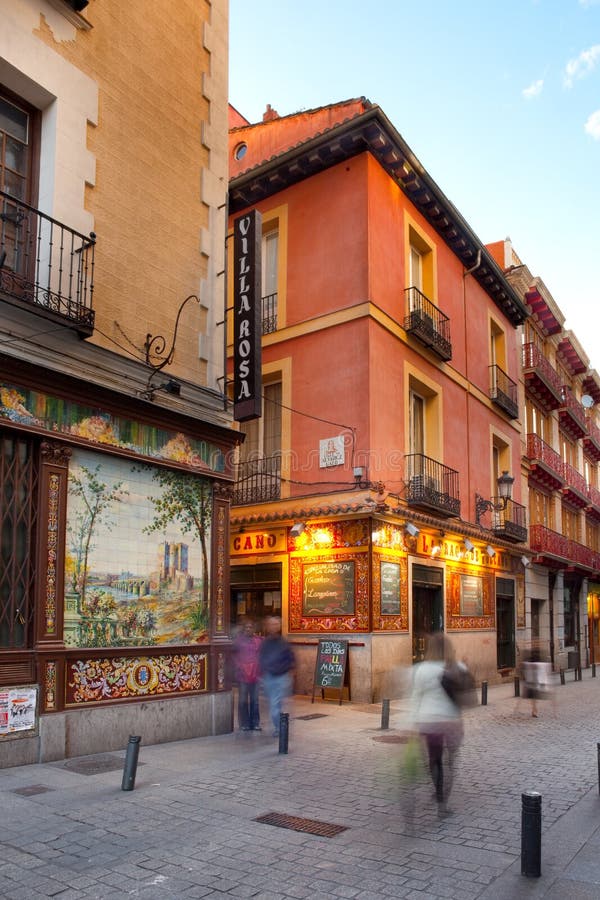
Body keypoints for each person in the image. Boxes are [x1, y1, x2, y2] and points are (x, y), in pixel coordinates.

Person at [410, 632, 463, 816]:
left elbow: (416, 696)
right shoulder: (455, 667)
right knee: (449, 763)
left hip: (429, 722)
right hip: (451, 721)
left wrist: (412, 721)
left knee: (435, 761)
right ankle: (443, 805)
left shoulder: (422, 669)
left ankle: (438, 792)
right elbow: (464, 695)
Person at [258, 615, 295, 737]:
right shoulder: (265, 643)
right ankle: (281, 725)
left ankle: (280, 728)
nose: (273, 627)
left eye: (276, 624)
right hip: (269, 677)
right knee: (275, 703)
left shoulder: (283, 642)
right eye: (271, 625)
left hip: (282, 677)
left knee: (276, 704)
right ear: (268, 627)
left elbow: (291, 659)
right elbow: (261, 658)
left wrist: (290, 673)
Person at [232, 619, 262, 731]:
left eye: (250, 627)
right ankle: (244, 723)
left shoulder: (259, 641)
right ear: (243, 629)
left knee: (255, 700)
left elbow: (261, 654)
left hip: (255, 674)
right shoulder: (238, 641)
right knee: (243, 699)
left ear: (254, 629)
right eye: (246, 627)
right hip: (242, 675)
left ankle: (255, 723)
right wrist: (239, 666)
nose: (248, 629)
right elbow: (233, 656)